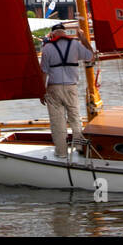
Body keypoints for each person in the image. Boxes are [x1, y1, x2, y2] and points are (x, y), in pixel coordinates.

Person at [39, 24, 94, 159]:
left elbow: (44, 72)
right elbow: (90, 56)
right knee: (75, 118)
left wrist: (41, 91)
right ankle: (80, 148)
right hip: (71, 87)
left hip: (54, 88)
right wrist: (84, 39)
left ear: (52, 35)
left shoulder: (47, 48)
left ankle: (61, 152)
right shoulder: (75, 45)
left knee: (57, 121)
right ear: (64, 33)